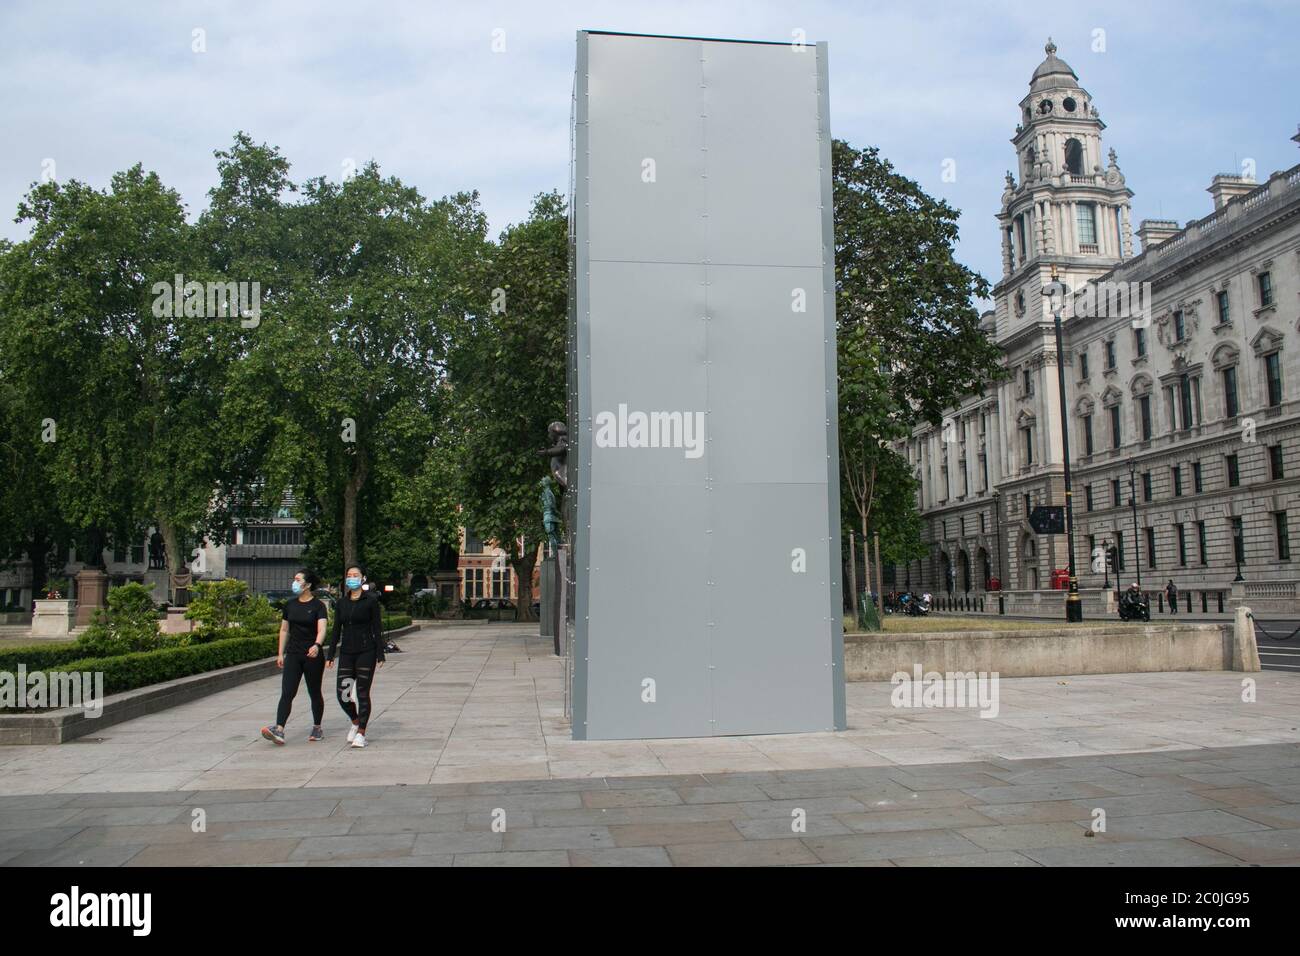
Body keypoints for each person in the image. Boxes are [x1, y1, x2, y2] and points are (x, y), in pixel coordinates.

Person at [261, 569, 329, 745]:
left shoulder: (318, 606)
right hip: (293, 654)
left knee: (314, 692)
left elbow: (322, 628)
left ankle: (317, 726)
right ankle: (279, 729)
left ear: (307, 584)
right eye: (295, 579)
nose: (295, 582)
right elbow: (284, 630)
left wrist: (317, 645)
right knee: (287, 692)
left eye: (298, 580)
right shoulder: (290, 605)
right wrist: (280, 653)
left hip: (312, 655)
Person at [326, 565, 385, 749]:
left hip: (366, 650)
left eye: (355, 575)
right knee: (342, 694)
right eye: (349, 575)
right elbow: (336, 629)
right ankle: (355, 720)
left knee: (362, 692)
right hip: (346, 652)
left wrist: (380, 652)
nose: (351, 578)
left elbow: (377, 627)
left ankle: (361, 733)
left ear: (362, 578)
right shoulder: (342, 603)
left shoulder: (370, 601)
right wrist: (330, 654)